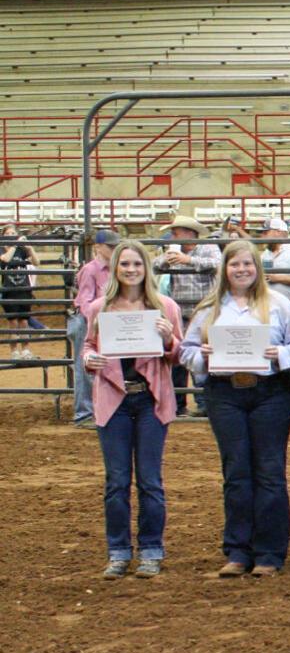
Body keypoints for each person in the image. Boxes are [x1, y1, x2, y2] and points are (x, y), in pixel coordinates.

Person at [182, 241, 290, 578]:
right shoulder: (210, 308)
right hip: (224, 392)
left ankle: (269, 552)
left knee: (269, 470)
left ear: (257, 268)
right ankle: (238, 550)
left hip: (271, 392)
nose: (241, 270)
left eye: (248, 264)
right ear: (225, 269)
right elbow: (186, 350)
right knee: (236, 472)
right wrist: (203, 358)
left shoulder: (279, 304)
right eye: (235, 264)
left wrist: (278, 355)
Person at [83, 240, 184, 579]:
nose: (130, 270)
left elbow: (179, 355)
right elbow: (88, 347)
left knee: (150, 480)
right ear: (115, 269)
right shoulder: (100, 308)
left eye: (136, 264)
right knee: (116, 481)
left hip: (150, 400)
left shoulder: (165, 307)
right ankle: (119, 551)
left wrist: (169, 338)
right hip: (114, 400)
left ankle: (152, 549)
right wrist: (89, 360)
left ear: (146, 268)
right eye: (124, 264)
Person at [153, 216, 220, 416]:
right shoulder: (173, 251)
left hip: (203, 312)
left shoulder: (208, 247)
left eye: (176, 232)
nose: (172, 236)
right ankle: (179, 403)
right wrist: (166, 259)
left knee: (201, 356)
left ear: (189, 233)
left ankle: (203, 403)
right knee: (179, 356)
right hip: (180, 312)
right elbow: (155, 266)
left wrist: (188, 260)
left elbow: (218, 264)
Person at [69, 230, 117, 425]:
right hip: (87, 321)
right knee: (85, 365)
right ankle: (84, 413)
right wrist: (96, 323)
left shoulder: (114, 268)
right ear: (98, 247)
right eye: (111, 246)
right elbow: (84, 302)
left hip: (103, 322)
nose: (115, 250)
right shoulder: (90, 270)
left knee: (97, 364)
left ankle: (93, 411)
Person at [2, 231, 38, 361]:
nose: (12, 234)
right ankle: (14, 352)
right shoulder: (2, 249)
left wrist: (29, 247)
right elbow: (5, 259)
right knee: (12, 323)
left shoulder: (22, 249)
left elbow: (36, 262)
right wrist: (15, 245)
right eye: (8, 233)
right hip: (9, 291)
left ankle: (26, 351)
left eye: (13, 233)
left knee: (24, 322)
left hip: (24, 290)